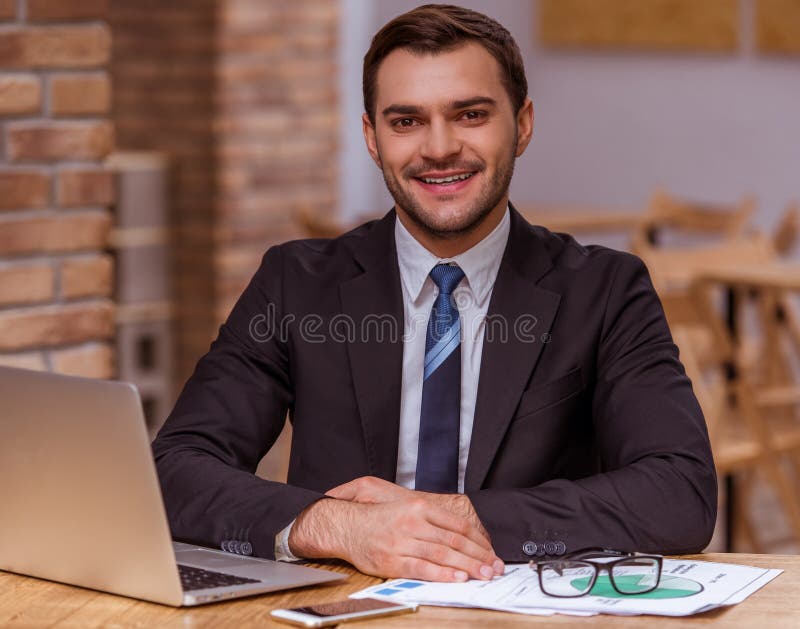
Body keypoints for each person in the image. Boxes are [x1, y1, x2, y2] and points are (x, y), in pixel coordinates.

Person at [153, 4, 717, 584]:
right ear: (372, 137)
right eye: (406, 122)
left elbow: (679, 491)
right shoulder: (295, 282)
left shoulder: (606, 290)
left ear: (522, 124)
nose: (439, 147)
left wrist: (452, 518)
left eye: (470, 114)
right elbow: (172, 469)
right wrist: (337, 526)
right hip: (345, 609)